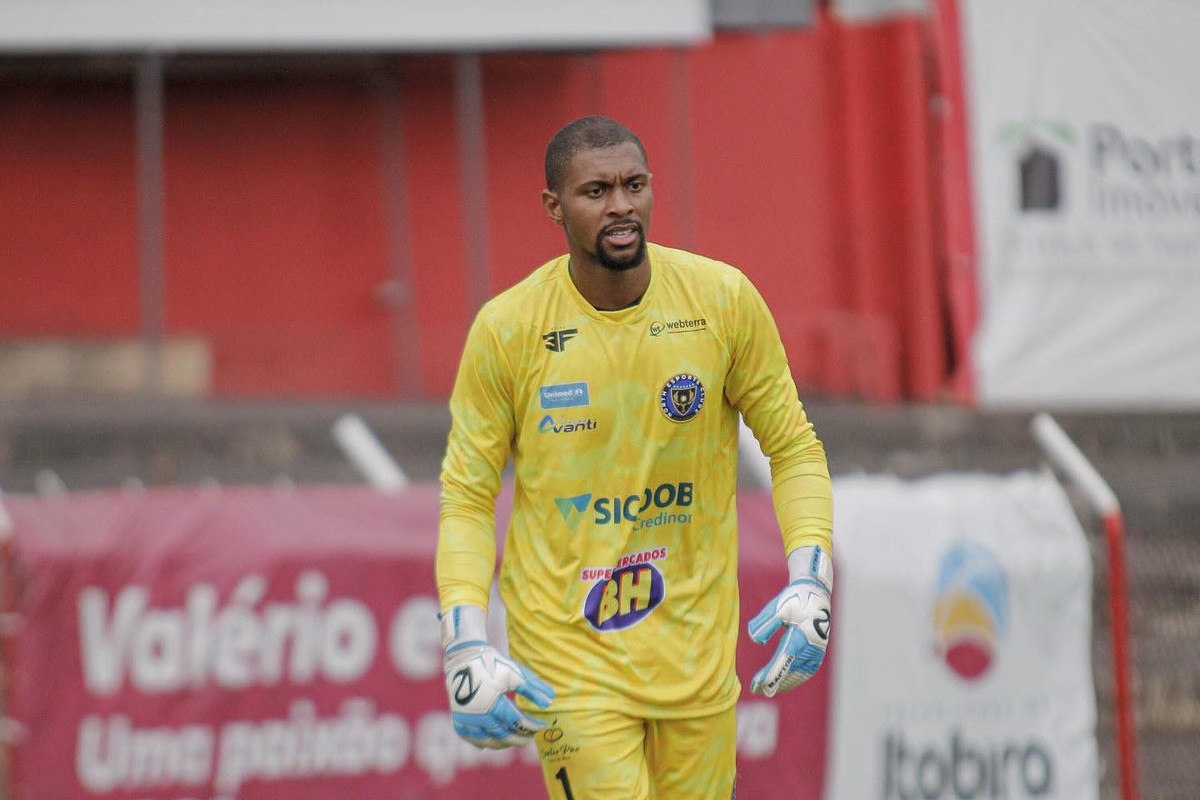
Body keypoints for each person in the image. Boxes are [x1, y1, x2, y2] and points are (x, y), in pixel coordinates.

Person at [436, 115, 833, 799]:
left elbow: (793, 446)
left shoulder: (722, 301)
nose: (621, 205)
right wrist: (464, 639)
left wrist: (813, 579)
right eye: (596, 191)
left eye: (634, 185)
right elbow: (467, 498)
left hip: (695, 650)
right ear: (554, 207)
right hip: (568, 656)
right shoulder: (508, 330)